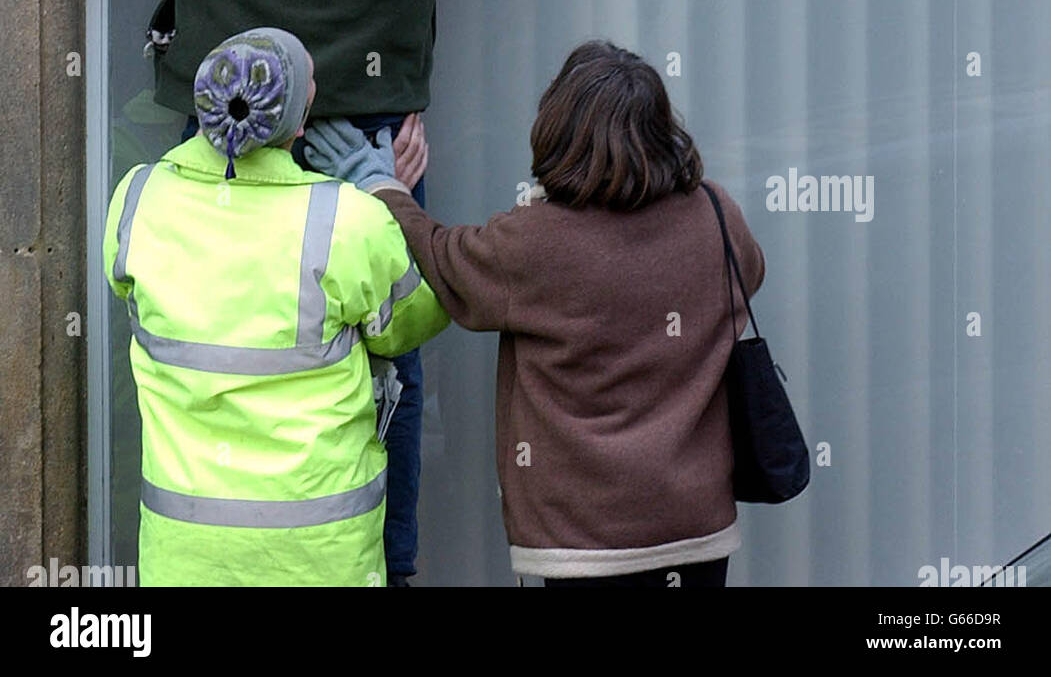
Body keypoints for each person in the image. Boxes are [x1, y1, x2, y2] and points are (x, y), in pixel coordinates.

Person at [84, 0, 580, 583]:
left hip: (228, 133)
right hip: (370, 140)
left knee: (218, 345)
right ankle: (381, 567)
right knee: (387, 362)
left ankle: (210, 546)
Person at [304, 41, 766, 588]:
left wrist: (376, 180)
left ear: (559, 131)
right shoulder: (716, 215)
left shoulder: (537, 242)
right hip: (698, 530)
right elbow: (748, 278)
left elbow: (443, 261)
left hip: (579, 545)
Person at [103, 27, 448, 587]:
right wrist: (389, 194)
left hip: (184, 560)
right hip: (321, 561)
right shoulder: (348, 221)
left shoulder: (137, 199)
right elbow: (418, 318)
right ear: (299, 126)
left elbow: (132, 288)